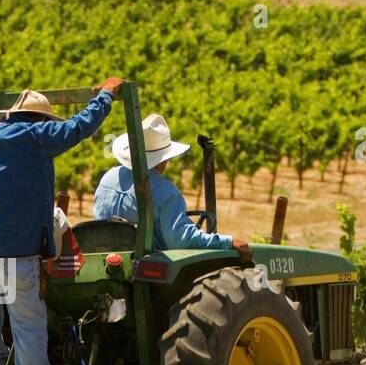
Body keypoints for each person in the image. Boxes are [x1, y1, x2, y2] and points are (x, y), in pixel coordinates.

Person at [0, 79, 125, 365]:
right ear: (41, 119)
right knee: (28, 327)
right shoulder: (37, 136)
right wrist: (104, 97)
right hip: (17, 252)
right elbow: (79, 127)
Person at [93, 112, 253, 262]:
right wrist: (227, 242)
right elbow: (181, 239)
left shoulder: (108, 178)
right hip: (146, 264)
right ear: (163, 160)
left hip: (106, 257)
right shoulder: (166, 193)